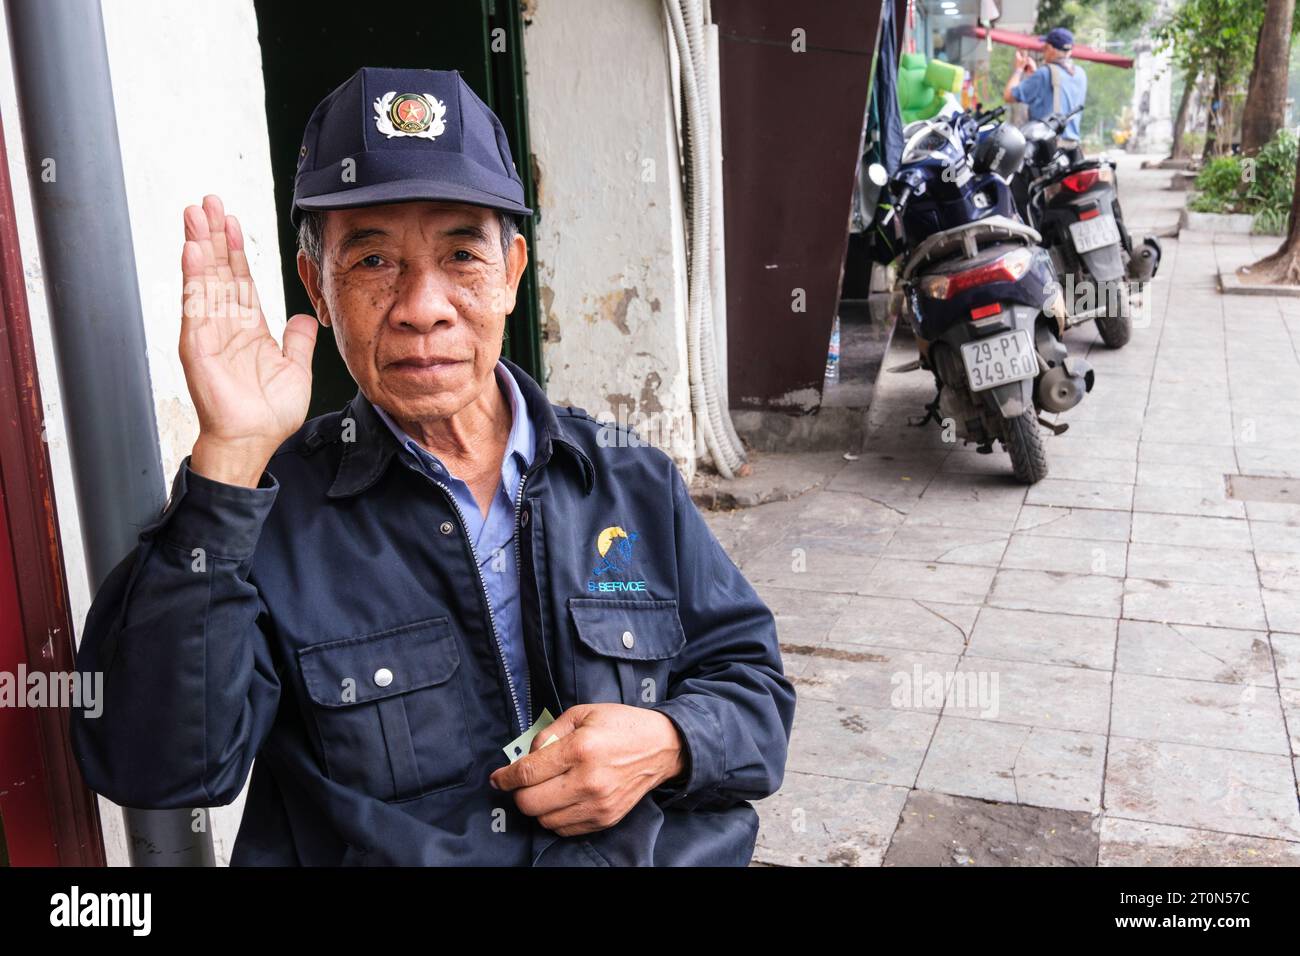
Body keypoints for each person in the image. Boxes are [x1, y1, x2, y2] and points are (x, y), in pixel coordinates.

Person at [69, 66, 795, 866]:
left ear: (514, 273)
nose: (423, 306)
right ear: (317, 284)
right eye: (373, 261)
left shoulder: (628, 479)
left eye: (461, 255)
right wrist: (228, 462)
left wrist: (669, 739)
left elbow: (754, 689)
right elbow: (157, 766)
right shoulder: (258, 515)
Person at [1004, 27, 1088, 165]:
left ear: (1050, 48)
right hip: (1073, 150)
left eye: (1044, 48)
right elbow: (1058, 95)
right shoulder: (1080, 74)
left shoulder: (1044, 74)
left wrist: (1019, 69)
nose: (1043, 51)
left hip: (1049, 151)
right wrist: (1035, 74)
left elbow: (1009, 95)